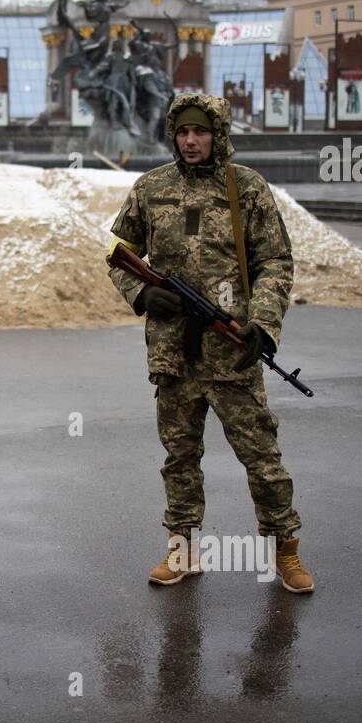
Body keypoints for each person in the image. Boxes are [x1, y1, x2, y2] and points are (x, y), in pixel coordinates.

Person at [107, 92, 313, 594]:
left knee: (262, 458)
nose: (191, 140)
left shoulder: (247, 189)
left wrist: (262, 324)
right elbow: (119, 253)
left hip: (232, 349)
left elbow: (275, 263)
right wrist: (143, 293)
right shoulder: (151, 188)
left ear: (217, 135)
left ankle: (286, 550)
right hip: (173, 353)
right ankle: (182, 551)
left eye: (200, 132)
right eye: (183, 132)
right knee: (179, 458)